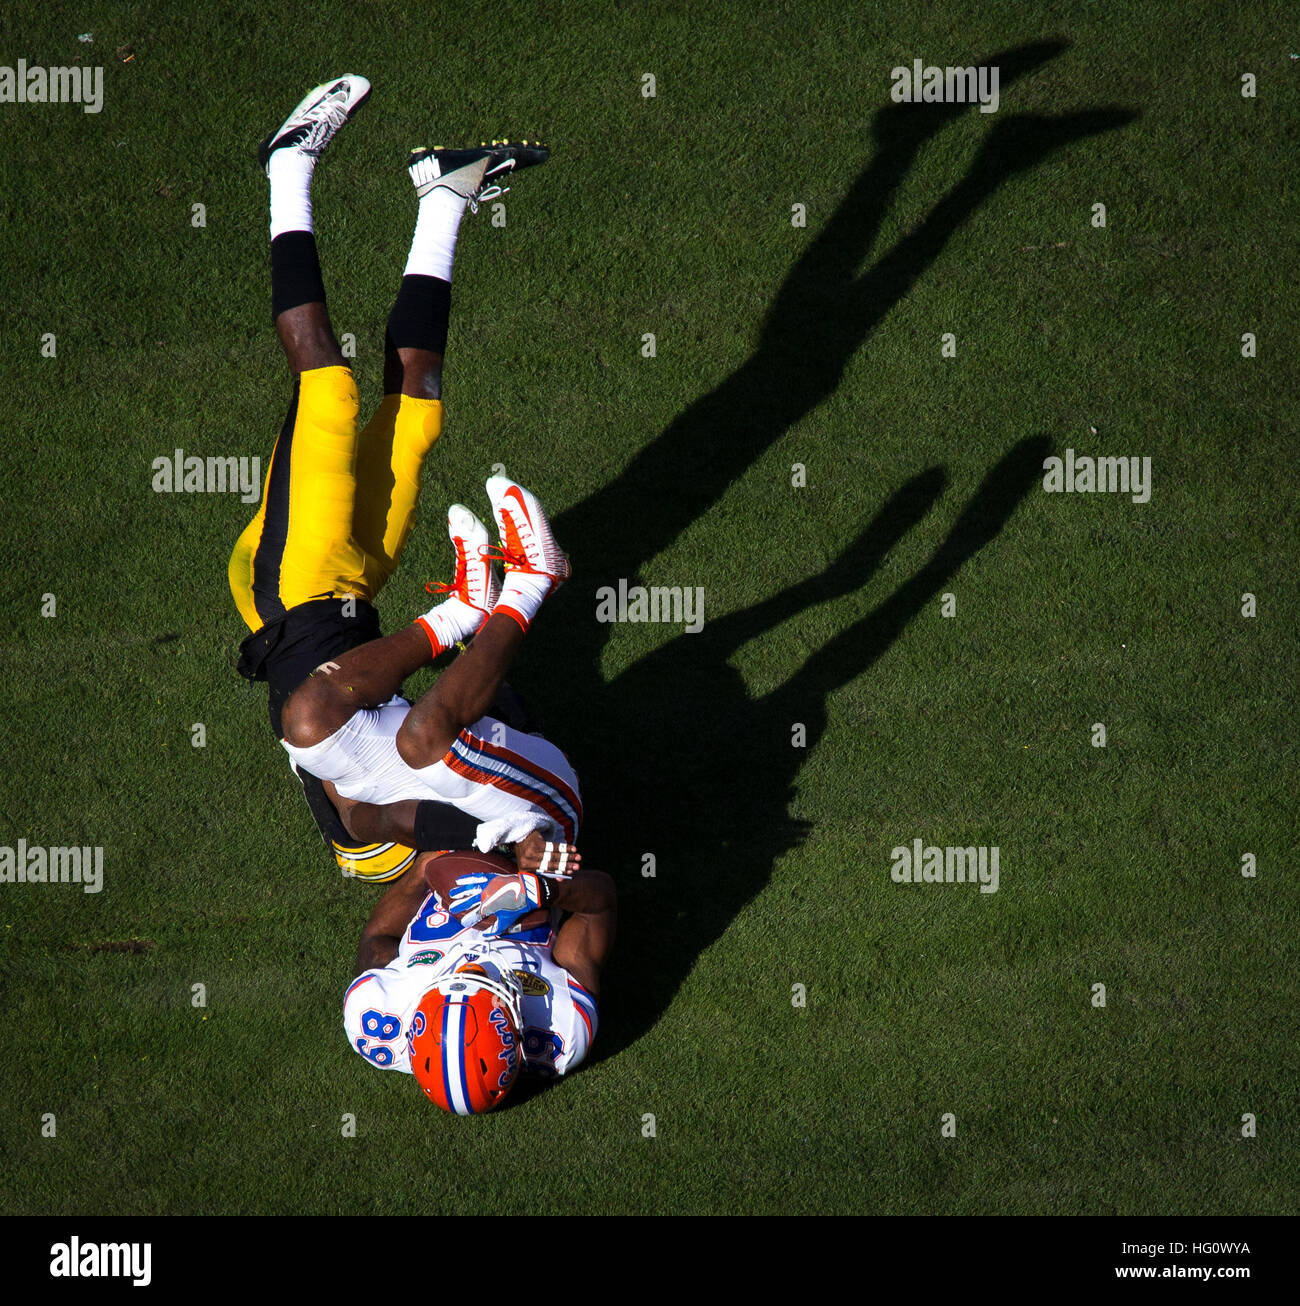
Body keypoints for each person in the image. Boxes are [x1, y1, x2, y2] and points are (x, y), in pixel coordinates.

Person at [227, 75, 568, 880]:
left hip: (292, 590)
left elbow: (384, 821)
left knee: (329, 385)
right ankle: (446, 192)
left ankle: (286, 170)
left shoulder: (358, 812)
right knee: (417, 415)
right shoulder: (389, 795)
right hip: (356, 590)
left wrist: (477, 841)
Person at [345, 850, 616, 1113]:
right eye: (488, 981)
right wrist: (540, 890)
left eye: (458, 974)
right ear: (517, 1032)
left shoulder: (376, 1018)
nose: (473, 965)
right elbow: (599, 902)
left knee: (364, 820)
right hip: (534, 863)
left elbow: (377, 935)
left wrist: (425, 867)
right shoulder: (561, 1031)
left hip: (451, 851)